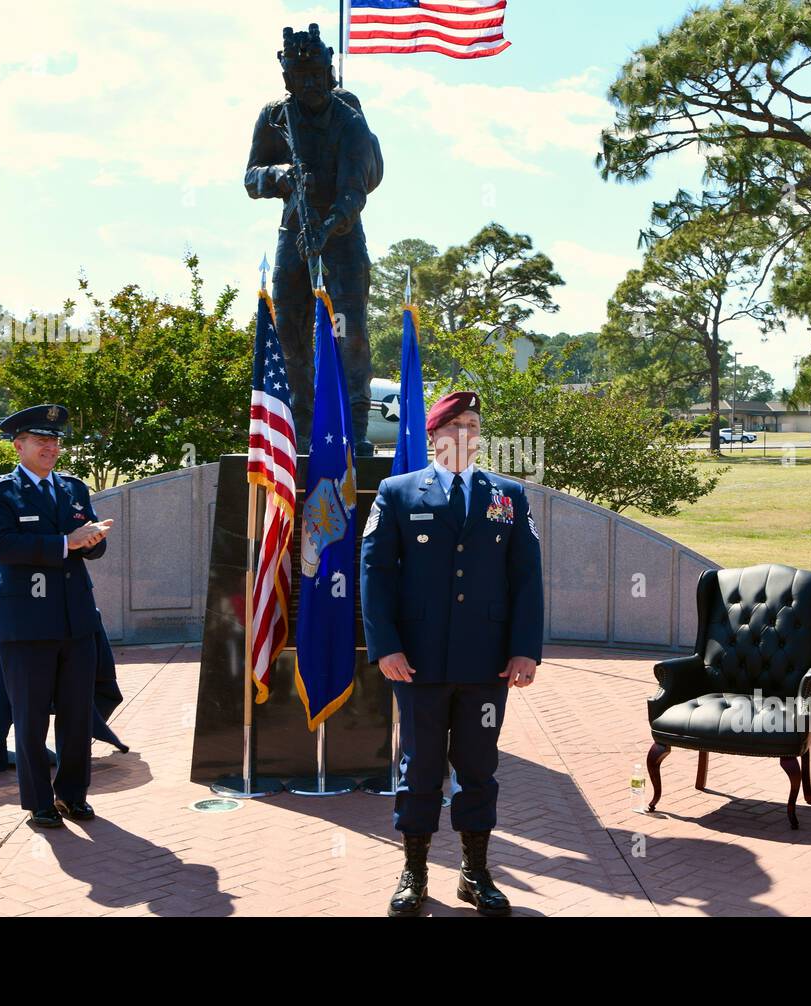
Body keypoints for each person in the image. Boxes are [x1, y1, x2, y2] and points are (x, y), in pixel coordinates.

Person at [361, 391, 544, 916]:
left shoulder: (507, 495)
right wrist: (386, 647)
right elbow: (375, 576)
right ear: (435, 434)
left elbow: (526, 579)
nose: (467, 433)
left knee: (478, 768)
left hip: (487, 664)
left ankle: (474, 873)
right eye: (456, 425)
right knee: (418, 769)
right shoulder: (397, 494)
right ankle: (414, 874)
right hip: (416, 662)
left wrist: (524, 651)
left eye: (474, 425)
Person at [244, 22, 383, 455]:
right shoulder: (274, 116)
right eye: (300, 78)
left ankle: (355, 429)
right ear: (287, 79)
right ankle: (302, 430)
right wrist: (279, 176)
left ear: (330, 73)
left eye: (317, 75)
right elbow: (251, 178)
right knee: (289, 327)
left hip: (340, 233)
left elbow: (357, 185)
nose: (311, 84)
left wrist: (328, 226)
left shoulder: (348, 118)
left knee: (349, 331)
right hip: (293, 231)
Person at [0, 405, 114, 829]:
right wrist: (64, 542)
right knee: (31, 718)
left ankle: (73, 795)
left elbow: (91, 546)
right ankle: (39, 801)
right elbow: (5, 546)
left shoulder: (73, 488)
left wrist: (90, 540)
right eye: (41, 441)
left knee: (76, 716)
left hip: (75, 620)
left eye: (55, 441)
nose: (51, 448)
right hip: (27, 624)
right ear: (19, 446)